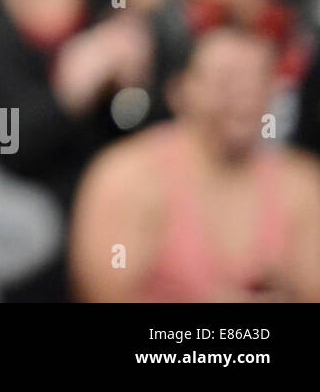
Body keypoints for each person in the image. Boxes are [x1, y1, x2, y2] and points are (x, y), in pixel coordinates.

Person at [70, 25, 320, 302]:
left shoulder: (302, 184)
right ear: (179, 90)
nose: (244, 95)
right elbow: (102, 295)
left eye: (258, 79)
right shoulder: (126, 177)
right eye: (226, 80)